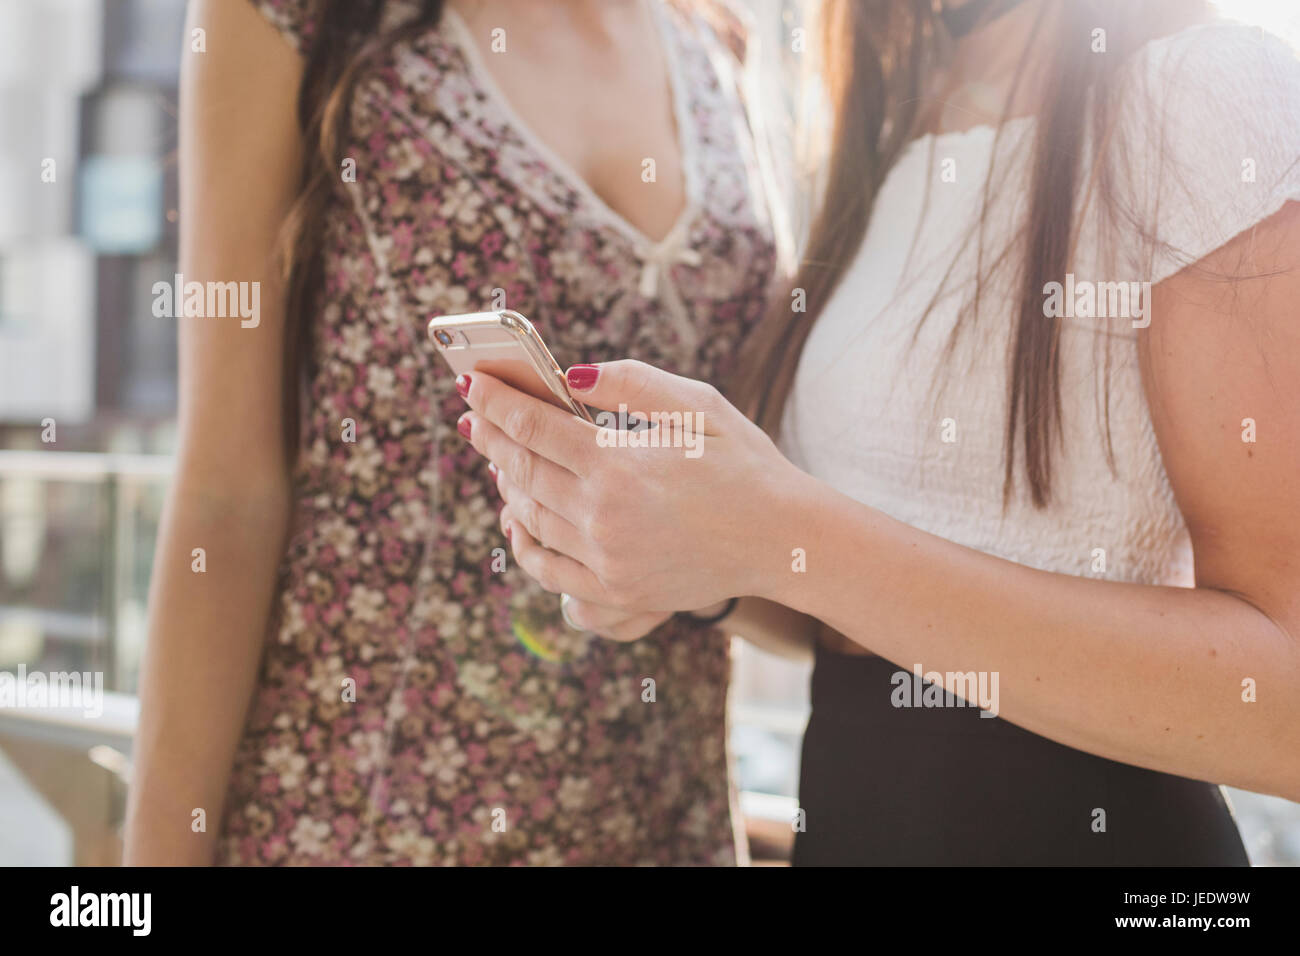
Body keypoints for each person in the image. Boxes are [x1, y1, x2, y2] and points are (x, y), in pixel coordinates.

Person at [456, 0, 1300, 864]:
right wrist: (694, 565)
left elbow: (1281, 707)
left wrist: (781, 528)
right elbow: (852, 614)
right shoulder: (891, 125)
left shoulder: (1204, 88)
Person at [125, 0, 777, 865]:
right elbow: (227, 495)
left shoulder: (719, 40)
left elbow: (763, 504)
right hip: (363, 809)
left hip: (663, 815)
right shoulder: (288, 18)